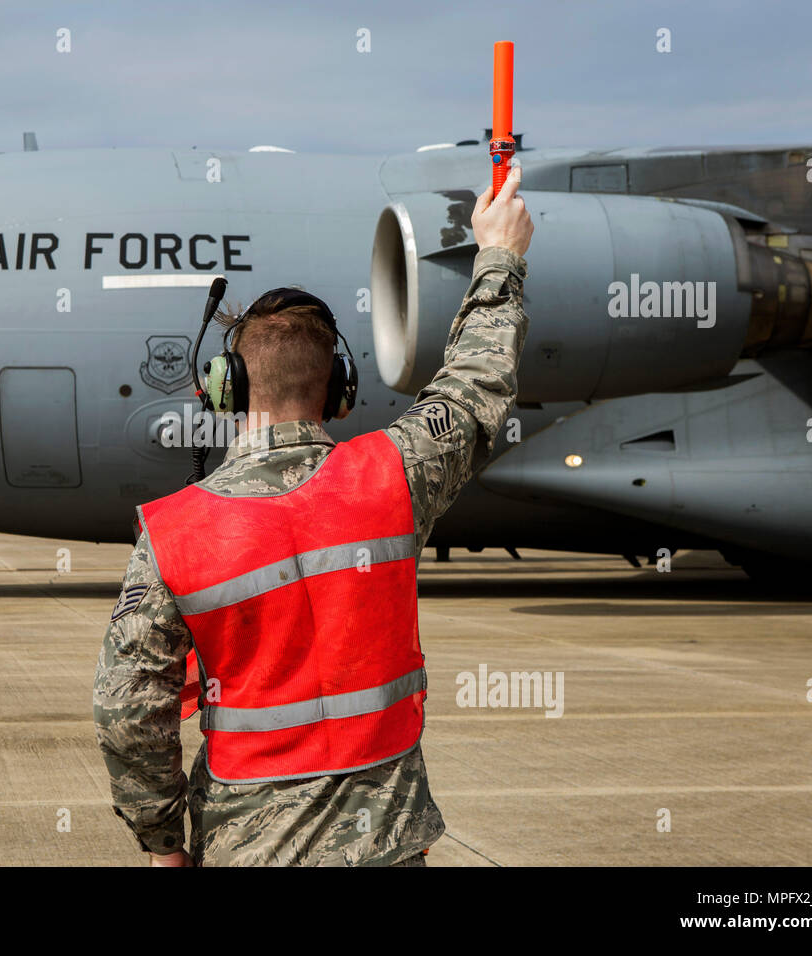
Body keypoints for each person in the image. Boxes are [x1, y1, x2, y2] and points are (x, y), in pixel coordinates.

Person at [93, 165, 533, 866]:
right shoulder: (394, 477)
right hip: (386, 849)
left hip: (249, 849)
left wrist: (162, 840)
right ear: (340, 393)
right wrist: (499, 254)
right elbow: (478, 383)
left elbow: (127, 712)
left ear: (225, 390)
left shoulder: (173, 532)